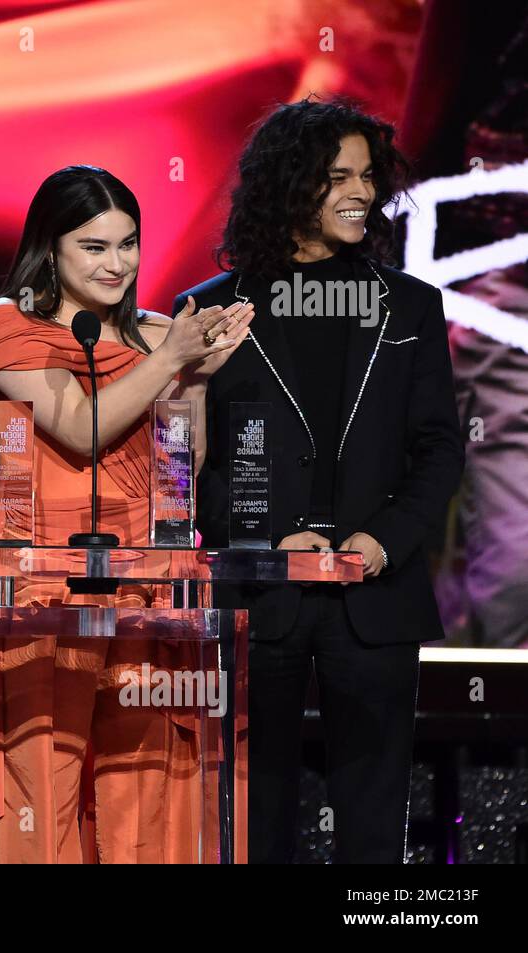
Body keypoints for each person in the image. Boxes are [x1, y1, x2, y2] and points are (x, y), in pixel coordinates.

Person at [175, 97, 464, 863]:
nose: (361, 193)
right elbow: (187, 463)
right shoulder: (210, 312)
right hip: (259, 593)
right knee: (251, 819)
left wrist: (384, 540)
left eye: (369, 176)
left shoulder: (410, 306)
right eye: (338, 175)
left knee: (372, 831)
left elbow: (440, 448)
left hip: (376, 594)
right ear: (288, 184)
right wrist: (263, 541)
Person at [0, 165, 252, 862]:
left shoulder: (154, 335)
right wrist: (171, 359)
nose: (117, 263)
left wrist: (197, 381)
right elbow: (78, 426)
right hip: (44, 587)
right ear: (51, 247)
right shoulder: (7, 323)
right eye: (94, 247)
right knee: (41, 793)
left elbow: (177, 471)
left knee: (142, 800)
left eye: (128, 244)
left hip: (146, 583)